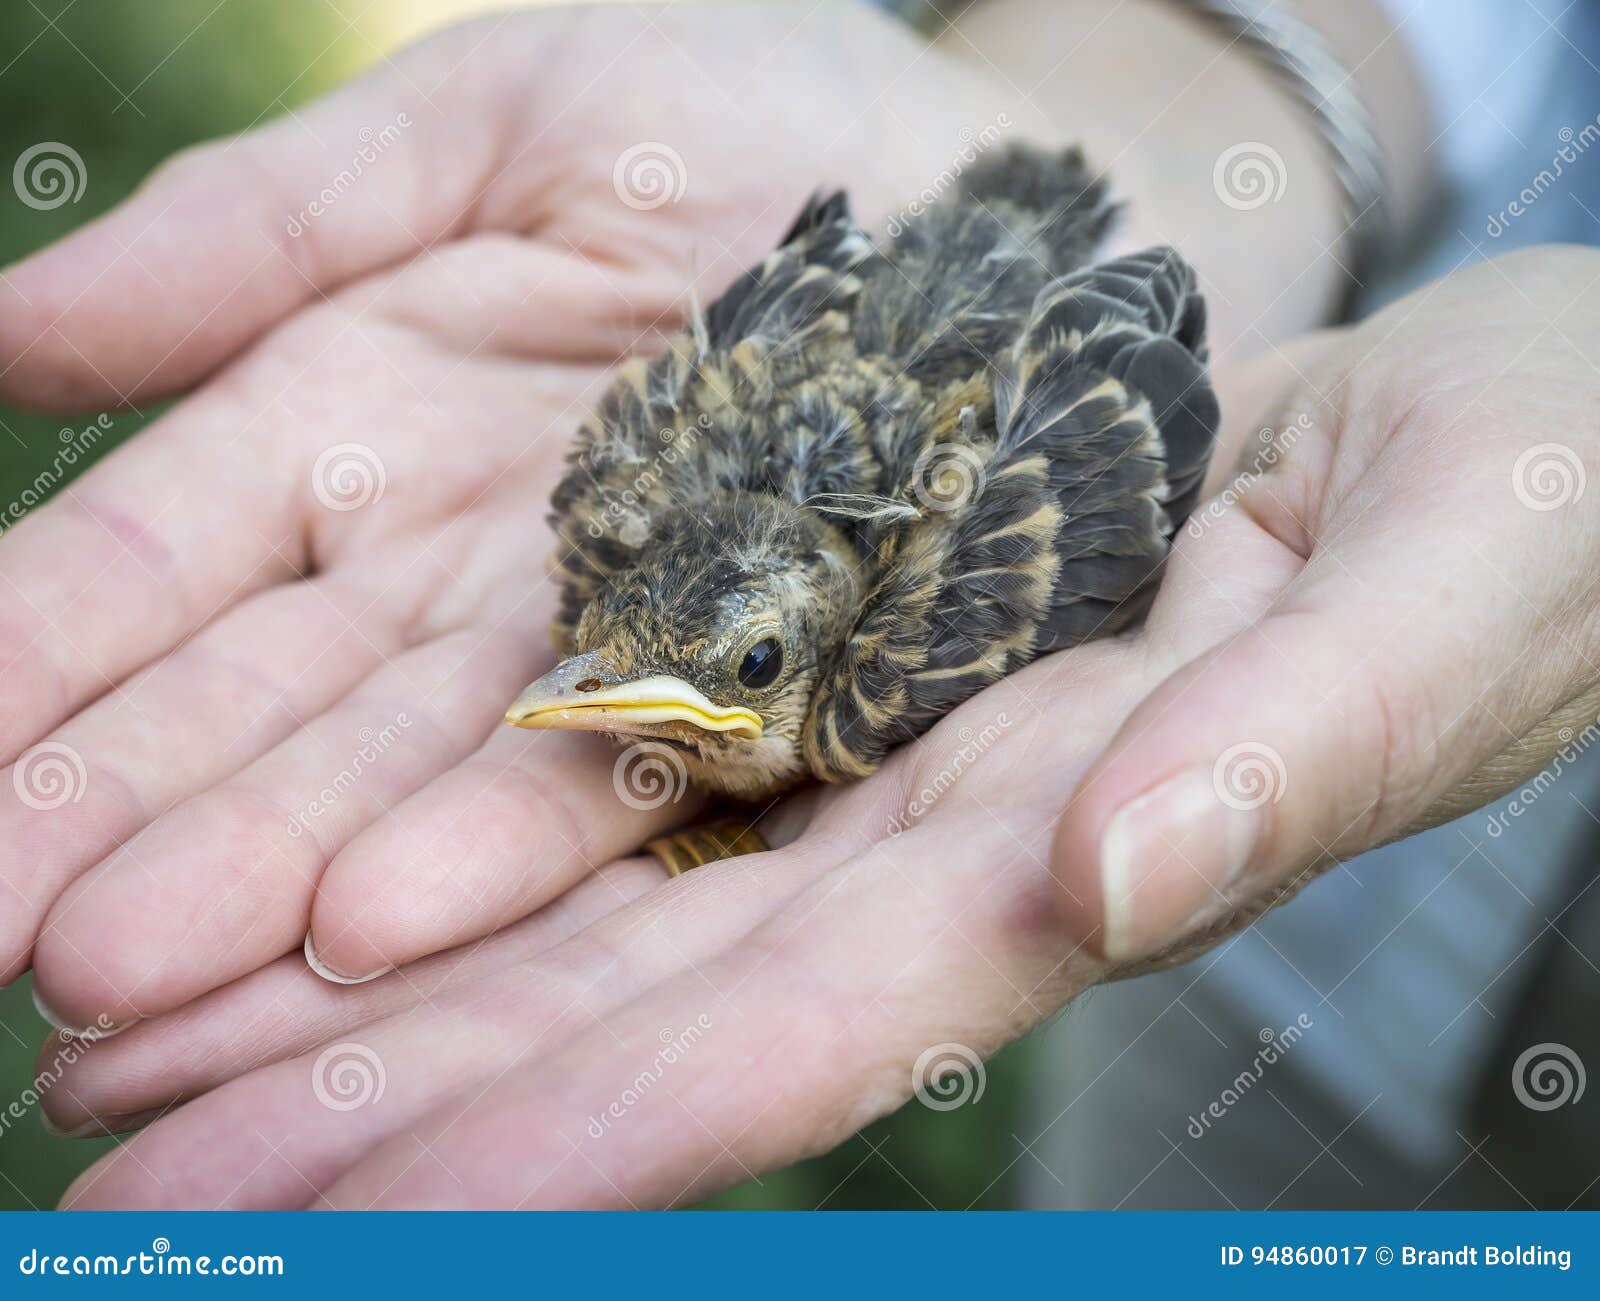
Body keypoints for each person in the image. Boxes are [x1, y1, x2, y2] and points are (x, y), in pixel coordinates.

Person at [0, 0, 1593, 1207]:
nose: (633, 693)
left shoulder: (884, 656)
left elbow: (1129, 359)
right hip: (1290, 1000)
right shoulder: (620, 534)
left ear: (816, 647)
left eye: (754, 666)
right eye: (626, 648)